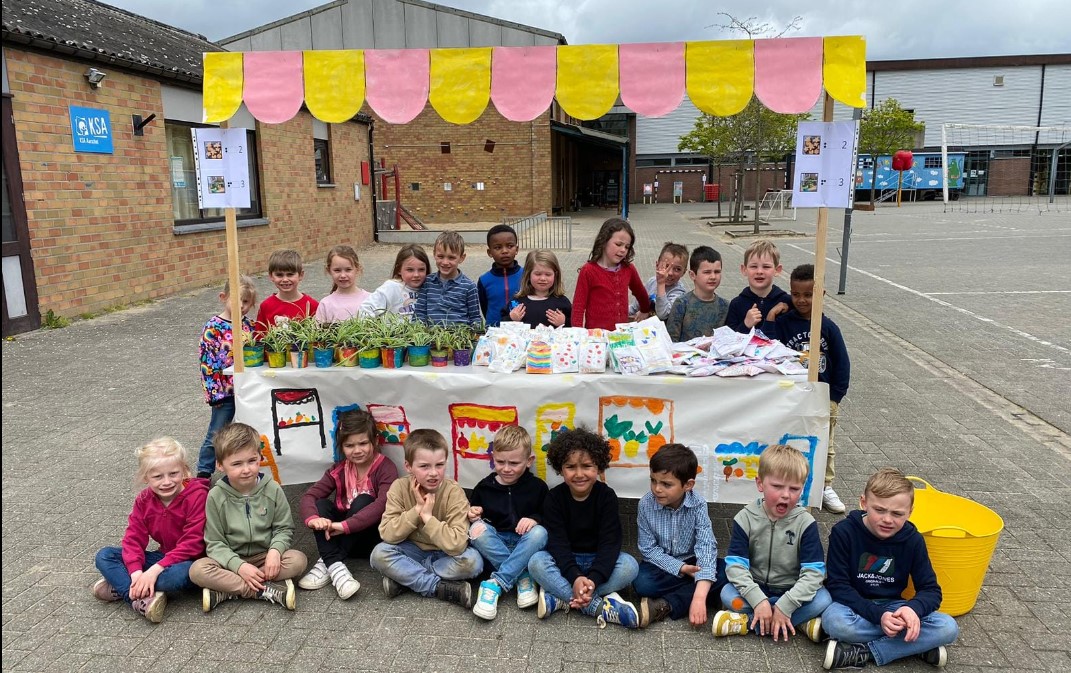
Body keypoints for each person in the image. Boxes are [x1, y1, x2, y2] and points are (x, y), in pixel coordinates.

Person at [821, 468, 959, 670]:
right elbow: (838, 585)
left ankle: (862, 652)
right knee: (835, 622)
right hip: (853, 606)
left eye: (897, 514)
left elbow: (931, 590)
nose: (887, 519)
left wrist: (912, 609)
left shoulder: (913, 540)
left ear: (910, 512)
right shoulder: (844, 532)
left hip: (894, 606)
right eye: (879, 510)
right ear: (863, 503)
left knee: (948, 628)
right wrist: (879, 616)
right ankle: (916, 645)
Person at [714, 444, 831, 643]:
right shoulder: (745, 518)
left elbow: (814, 573)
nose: (786, 494)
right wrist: (758, 600)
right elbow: (735, 566)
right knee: (727, 594)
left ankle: (747, 622)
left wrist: (787, 604)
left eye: (794, 489)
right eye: (777, 486)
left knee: (823, 599)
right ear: (760, 484)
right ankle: (797, 623)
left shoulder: (806, 523)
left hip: (792, 591)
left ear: (802, 489)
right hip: (756, 588)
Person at [527, 427, 641, 629]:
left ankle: (562, 598)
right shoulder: (554, 498)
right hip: (565, 563)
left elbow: (610, 543)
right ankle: (597, 606)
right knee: (536, 562)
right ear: (561, 469)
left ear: (598, 467)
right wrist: (575, 576)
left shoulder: (606, 497)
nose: (579, 474)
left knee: (630, 566)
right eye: (571, 467)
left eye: (587, 466)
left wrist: (593, 579)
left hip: (598, 562)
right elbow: (558, 544)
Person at [191, 423, 308, 612]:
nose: (246, 469)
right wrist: (239, 566)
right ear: (220, 465)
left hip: (264, 557)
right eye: (237, 464)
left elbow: (284, 528)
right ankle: (265, 590)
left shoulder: (273, 488)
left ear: (260, 458)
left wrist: (275, 552)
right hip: (230, 560)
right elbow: (214, 542)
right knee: (197, 570)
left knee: (298, 560)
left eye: (252, 461)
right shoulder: (215, 496)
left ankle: (226, 591)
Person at [92, 438, 209, 623]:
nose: (167, 482)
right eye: (158, 477)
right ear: (146, 477)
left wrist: (153, 571)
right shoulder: (144, 500)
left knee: (176, 576)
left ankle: (123, 587)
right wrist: (137, 573)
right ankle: (139, 597)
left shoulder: (197, 496)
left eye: (174, 474)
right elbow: (133, 539)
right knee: (105, 555)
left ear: (185, 470)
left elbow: (193, 543)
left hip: (192, 561)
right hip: (163, 558)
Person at [369, 429, 483, 608]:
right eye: (424, 466)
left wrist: (428, 517)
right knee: (379, 554)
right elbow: (388, 534)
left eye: (439, 465)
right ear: (408, 466)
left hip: (445, 554)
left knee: (473, 562)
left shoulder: (453, 491)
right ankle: (438, 587)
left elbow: (458, 544)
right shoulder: (399, 487)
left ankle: (404, 579)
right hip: (412, 550)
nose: (433, 473)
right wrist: (417, 510)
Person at [770, 263, 851, 514]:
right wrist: (772, 317)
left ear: (821, 294)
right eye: (796, 294)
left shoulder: (828, 328)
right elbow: (770, 347)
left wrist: (835, 396)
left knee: (826, 443)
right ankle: (795, 485)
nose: (802, 300)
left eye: (808, 294)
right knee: (794, 441)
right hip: (794, 397)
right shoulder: (785, 324)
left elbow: (842, 364)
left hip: (823, 397)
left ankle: (824, 486)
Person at [296, 409, 398, 600]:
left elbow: (384, 504)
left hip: (369, 538)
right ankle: (336, 568)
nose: (357, 450)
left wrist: (344, 526)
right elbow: (309, 497)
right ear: (341, 447)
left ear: (375, 441)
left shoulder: (386, 468)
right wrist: (313, 520)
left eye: (363, 443)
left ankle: (328, 560)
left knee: (364, 500)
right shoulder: (338, 470)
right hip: (339, 534)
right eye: (349, 445)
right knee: (321, 505)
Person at [634, 444, 724, 628]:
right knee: (641, 583)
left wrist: (698, 597)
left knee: (728, 569)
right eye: (653, 481)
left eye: (666, 484)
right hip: (661, 564)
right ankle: (708, 592)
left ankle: (665, 605)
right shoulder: (645, 504)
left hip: (693, 560)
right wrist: (681, 568)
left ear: (688, 485)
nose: (657, 489)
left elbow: (706, 546)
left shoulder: (698, 505)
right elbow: (648, 549)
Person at [467, 425, 549, 620]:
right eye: (500, 461)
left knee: (541, 533)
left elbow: (548, 516)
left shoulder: (538, 487)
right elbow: (474, 513)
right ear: (493, 457)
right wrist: (472, 513)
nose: (506, 468)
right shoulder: (485, 487)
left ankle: (496, 583)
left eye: (514, 463)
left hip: (525, 545)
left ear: (529, 461)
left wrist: (535, 519)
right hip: (496, 545)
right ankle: (522, 577)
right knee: (476, 529)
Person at [196, 275, 256, 479]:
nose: (242, 306)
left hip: (246, 390)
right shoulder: (213, 328)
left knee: (248, 428)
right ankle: (204, 471)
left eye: (247, 302)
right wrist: (214, 394)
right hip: (224, 393)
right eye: (237, 300)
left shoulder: (249, 326)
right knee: (217, 431)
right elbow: (208, 364)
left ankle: (244, 465)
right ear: (224, 297)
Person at [571, 217, 652, 330]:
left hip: (621, 335)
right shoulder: (588, 271)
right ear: (604, 241)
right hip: (596, 336)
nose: (623, 249)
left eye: (627, 247)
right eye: (618, 244)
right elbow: (578, 307)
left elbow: (640, 292)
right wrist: (577, 333)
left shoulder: (629, 269)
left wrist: (645, 310)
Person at [414, 231, 482, 326]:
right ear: (434, 254)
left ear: (461, 258)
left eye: (451, 257)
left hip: (459, 338)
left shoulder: (469, 287)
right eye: (441, 256)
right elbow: (419, 313)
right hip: (431, 337)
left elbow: (475, 318)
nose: (445, 262)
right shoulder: (427, 282)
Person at [724, 239, 791, 336]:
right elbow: (729, 341)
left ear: (777, 270)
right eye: (754, 266)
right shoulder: (736, 304)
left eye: (766, 267)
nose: (759, 271)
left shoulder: (786, 302)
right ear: (744, 270)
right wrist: (745, 325)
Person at [665, 246, 729, 343]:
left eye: (717, 272)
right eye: (707, 272)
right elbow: (671, 340)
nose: (713, 277)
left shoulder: (725, 305)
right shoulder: (682, 303)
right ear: (692, 275)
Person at [359, 244, 430, 319]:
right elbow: (366, 308)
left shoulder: (430, 288)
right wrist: (370, 328)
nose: (416, 275)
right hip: (394, 330)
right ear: (399, 269)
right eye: (410, 270)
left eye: (421, 269)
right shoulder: (391, 287)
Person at [254, 249, 318, 332]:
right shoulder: (266, 306)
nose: (285, 279)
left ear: (301, 275)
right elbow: (260, 338)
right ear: (271, 276)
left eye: (290, 274)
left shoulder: (312, 306)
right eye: (279, 275)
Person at [506, 250, 572, 328]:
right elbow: (501, 325)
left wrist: (564, 322)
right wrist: (510, 319)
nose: (543, 278)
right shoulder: (517, 302)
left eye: (548, 274)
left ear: (555, 275)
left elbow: (574, 327)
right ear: (528, 274)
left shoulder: (562, 302)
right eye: (538, 274)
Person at [477, 224, 523, 327]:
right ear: (489, 252)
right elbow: (485, 308)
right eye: (498, 247)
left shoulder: (527, 275)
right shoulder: (484, 280)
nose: (505, 251)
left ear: (517, 249)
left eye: (510, 246)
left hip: (521, 331)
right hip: (494, 331)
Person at [630, 242, 688, 321]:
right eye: (666, 266)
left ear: (683, 272)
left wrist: (661, 284)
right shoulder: (652, 282)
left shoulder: (679, 292)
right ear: (657, 265)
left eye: (677, 269)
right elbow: (635, 306)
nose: (670, 273)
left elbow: (662, 315)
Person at [315, 245, 371, 322]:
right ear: (329, 270)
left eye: (348, 270)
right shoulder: (326, 304)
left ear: (357, 269)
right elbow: (319, 332)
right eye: (337, 270)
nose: (343, 275)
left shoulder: (370, 300)